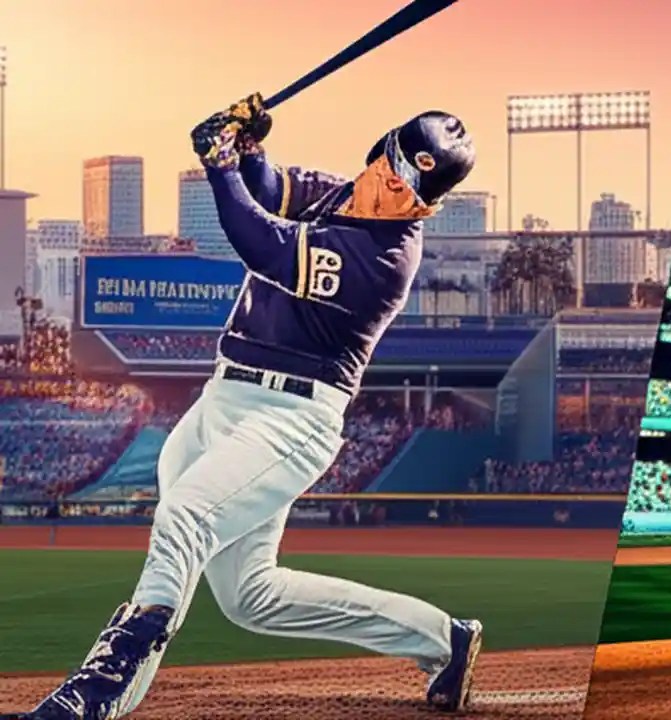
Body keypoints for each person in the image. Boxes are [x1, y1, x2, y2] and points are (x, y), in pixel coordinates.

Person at [6, 94, 482, 719]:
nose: (394, 189)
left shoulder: (387, 259)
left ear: (427, 204)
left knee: (184, 518)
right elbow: (270, 188)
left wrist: (220, 163)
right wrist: (249, 147)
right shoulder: (332, 192)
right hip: (222, 396)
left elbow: (265, 246)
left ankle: (98, 694)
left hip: (291, 418)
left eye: (411, 191)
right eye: (393, 169)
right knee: (250, 596)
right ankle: (444, 639)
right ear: (380, 153)